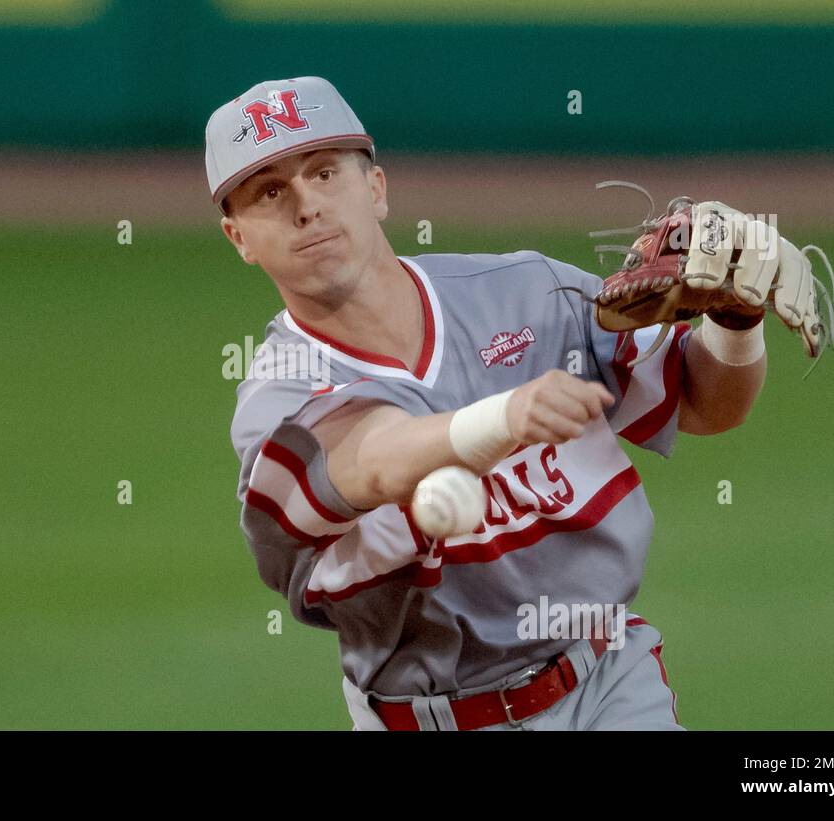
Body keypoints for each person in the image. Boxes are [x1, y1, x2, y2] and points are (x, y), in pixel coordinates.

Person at [208, 77, 774, 730]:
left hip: (608, 682)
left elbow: (705, 405)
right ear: (239, 237)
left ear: (376, 189)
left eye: (324, 172)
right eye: (270, 192)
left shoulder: (527, 292)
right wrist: (499, 419)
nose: (306, 205)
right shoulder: (277, 394)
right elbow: (370, 459)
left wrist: (735, 323)